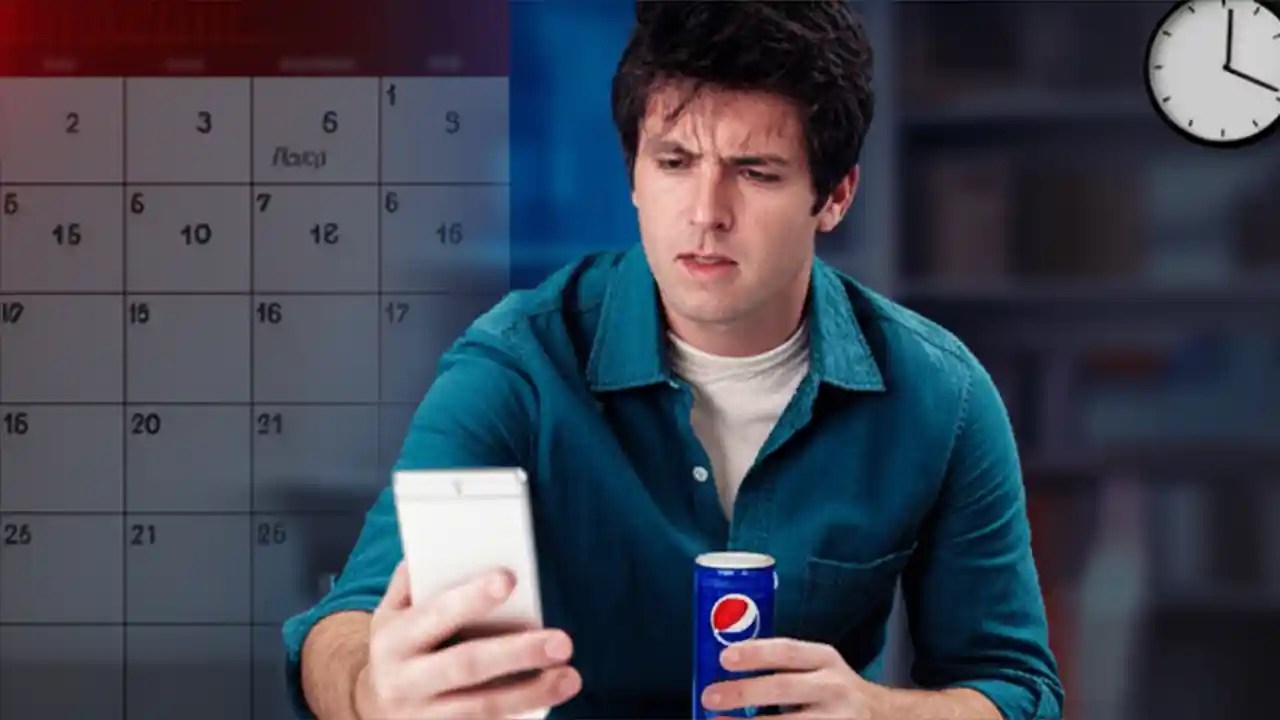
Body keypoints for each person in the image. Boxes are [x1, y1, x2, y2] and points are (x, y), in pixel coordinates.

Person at [282, 2, 1065, 718]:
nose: (705, 214)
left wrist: (878, 712)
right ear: (632, 175)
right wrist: (370, 690)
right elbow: (341, 625)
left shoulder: (942, 395)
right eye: (674, 162)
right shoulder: (516, 367)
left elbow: (1019, 687)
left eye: (754, 173)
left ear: (835, 196)